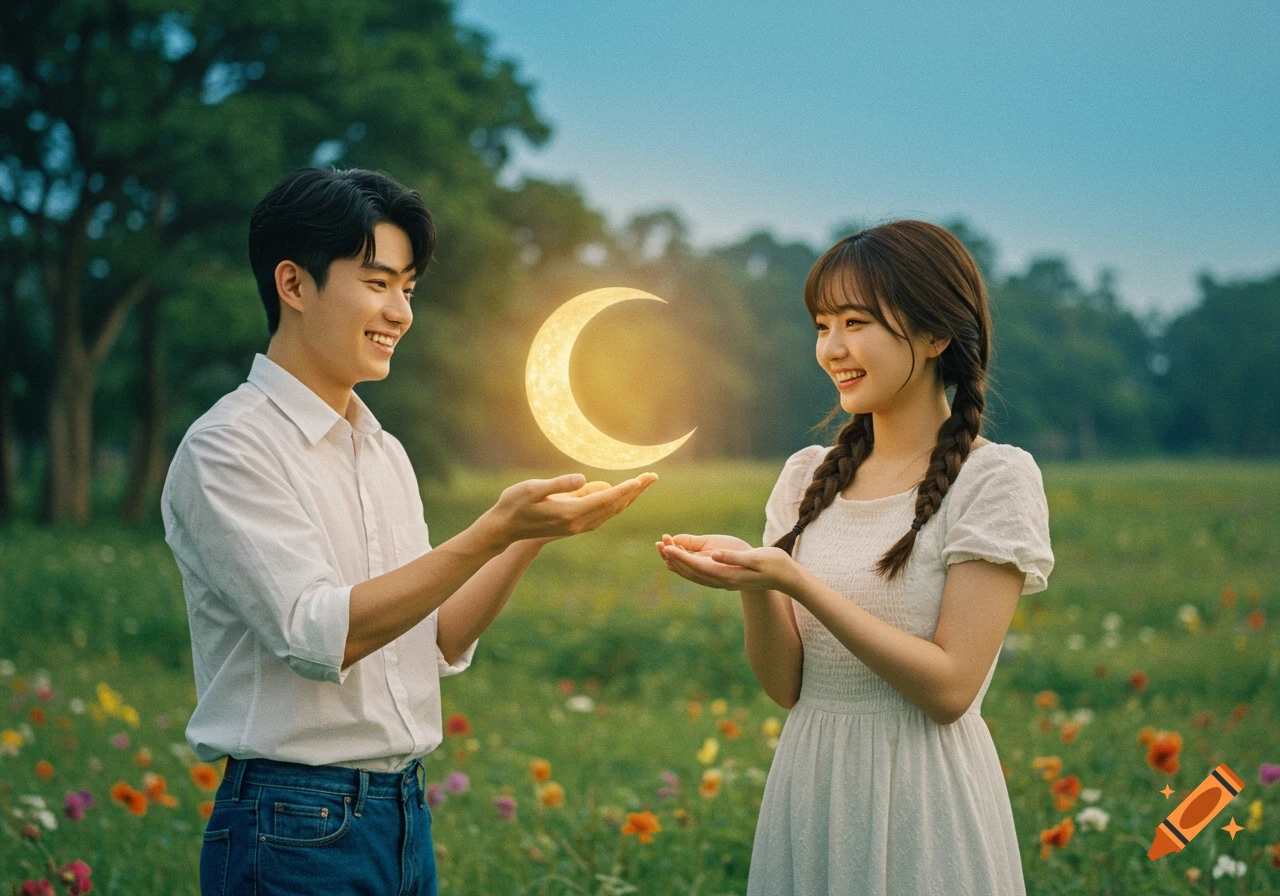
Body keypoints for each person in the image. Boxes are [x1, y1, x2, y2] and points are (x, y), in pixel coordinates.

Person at [161, 166, 656, 896]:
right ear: (293, 286)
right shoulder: (229, 448)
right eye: (376, 282)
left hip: (402, 816)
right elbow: (317, 634)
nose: (400, 312)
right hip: (293, 825)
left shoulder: (382, 450)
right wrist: (490, 530)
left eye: (409, 289)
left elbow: (440, 637)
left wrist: (529, 536)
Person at [657, 220, 1052, 895]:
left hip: (926, 803)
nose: (832, 348)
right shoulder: (808, 475)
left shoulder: (994, 481)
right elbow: (787, 686)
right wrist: (757, 581)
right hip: (813, 787)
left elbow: (951, 689)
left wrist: (799, 583)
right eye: (821, 325)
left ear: (935, 336)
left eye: (856, 322)